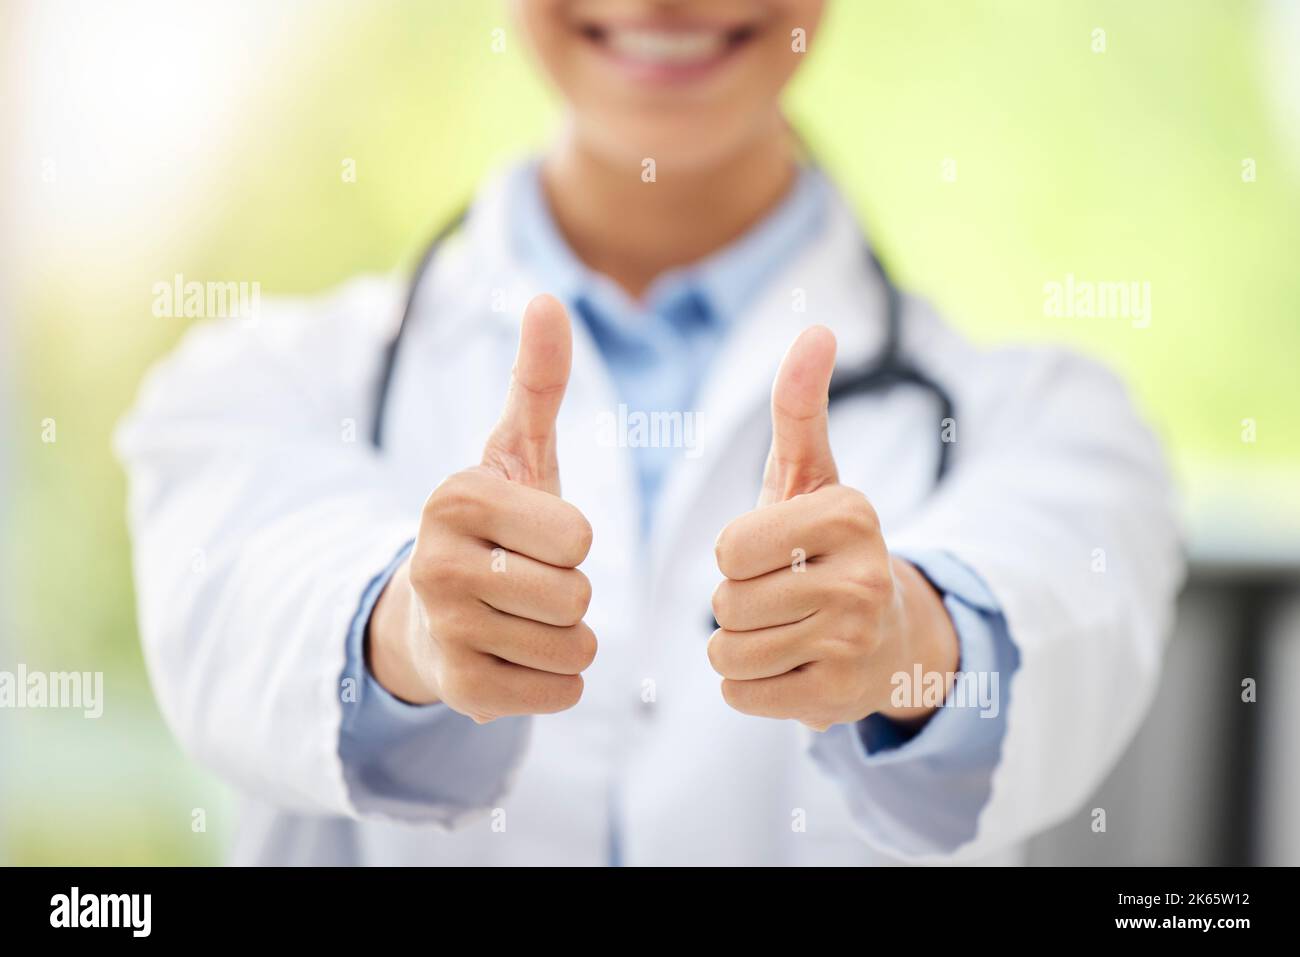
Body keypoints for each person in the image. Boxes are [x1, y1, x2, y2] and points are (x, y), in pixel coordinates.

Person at [115, 0, 1183, 865]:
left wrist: (909, 650)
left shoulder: (1052, 424)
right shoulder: (255, 386)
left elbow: (1057, 623)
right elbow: (237, 612)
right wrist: (407, 633)